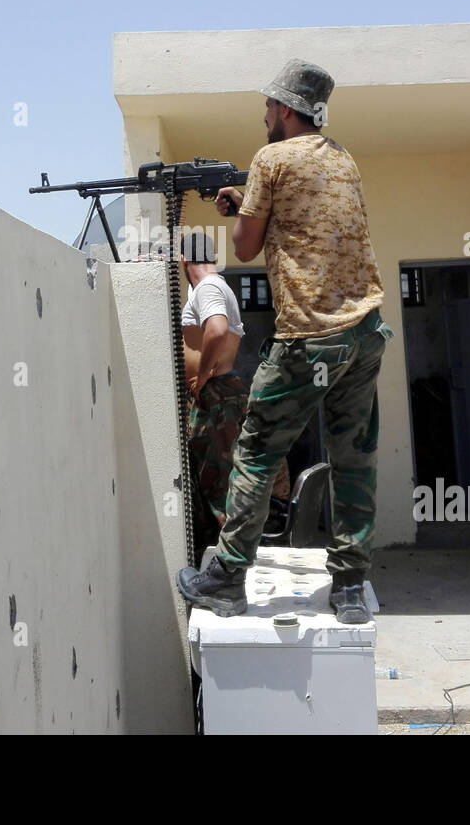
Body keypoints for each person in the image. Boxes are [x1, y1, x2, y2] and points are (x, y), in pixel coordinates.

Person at [175, 59, 393, 624]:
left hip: (309, 341)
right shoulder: (342, 157)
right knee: (353, 460)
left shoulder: (270, 159)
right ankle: (348, 587)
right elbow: (306, 214)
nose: (264, 115)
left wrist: (243, 208)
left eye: (269, 106)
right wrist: (246, 197)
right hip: (365, 335)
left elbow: (244, 248)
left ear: (287, 111)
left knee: (254, 452)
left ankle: (226, 578)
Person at [178, 232, 249, 553]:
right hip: (220, 393)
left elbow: (217, 329)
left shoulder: (207, 287)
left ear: (183, 261)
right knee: (218, 480)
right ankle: (223, 563)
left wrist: (203, 374)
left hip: (215, 393)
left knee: (218, 484)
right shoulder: (217, 287)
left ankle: (229, 568)